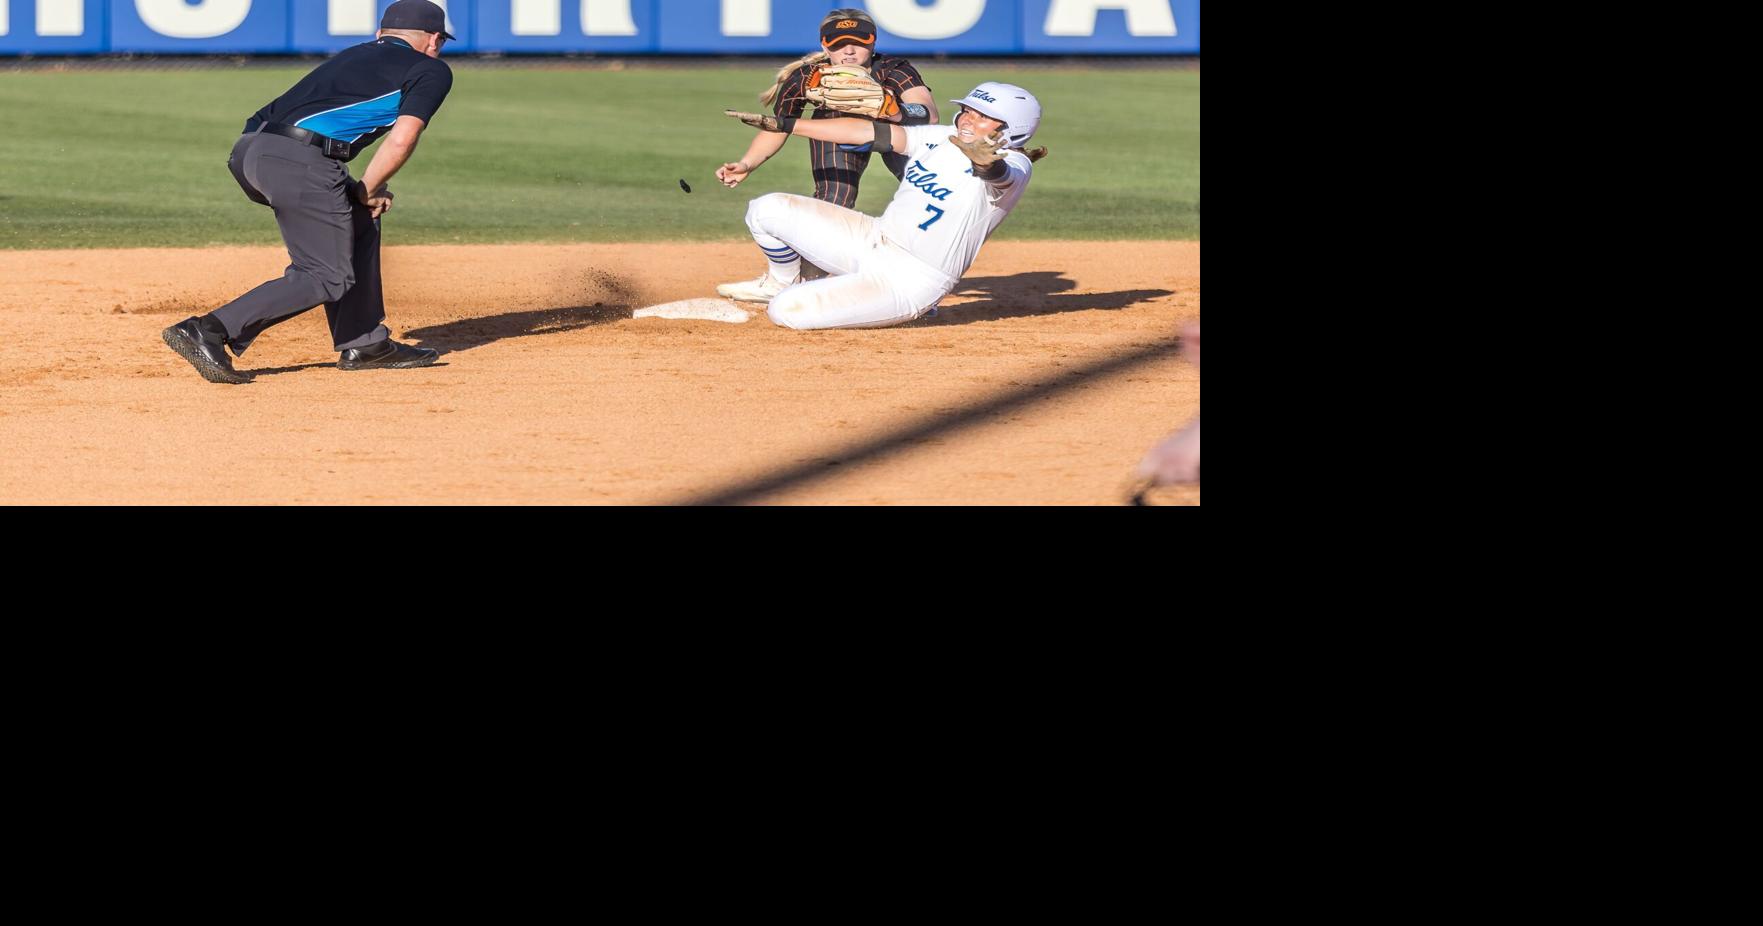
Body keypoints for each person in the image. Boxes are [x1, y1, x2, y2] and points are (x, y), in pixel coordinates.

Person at [161, 0, 455, 384]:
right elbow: (403, 139)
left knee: (360, 219)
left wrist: (356, 193)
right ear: (434, 40)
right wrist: (370, 186)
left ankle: (365, 342)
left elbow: (263, 117)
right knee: (325, 275)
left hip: (251, 150)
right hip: (298, 161)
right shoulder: (430, 68)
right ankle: (210, 329)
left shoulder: (351, 56)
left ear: (380, 34)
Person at [719, 82, 1046, 329]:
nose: (968, 120)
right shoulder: (942, 137)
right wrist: (786, 124)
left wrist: (988, 165)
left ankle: (904, 310)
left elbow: (1000, 177)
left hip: (911, 281)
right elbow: (868, 132)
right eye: (968, 110)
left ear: (1011, 128)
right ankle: (783, 279)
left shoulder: (1015, 165)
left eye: (983, 117)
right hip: (873, 239)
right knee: (767, 209)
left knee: (786, 311)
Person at [715, 8, 937, 290]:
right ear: (824, 45)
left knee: (923, 191)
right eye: (838, 44)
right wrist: (747, 164)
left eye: (858, 42)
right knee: (834, 199)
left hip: (895, 131)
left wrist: (891, 109)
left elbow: (928, 113)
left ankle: (918, 283)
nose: (849, 51)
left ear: (872, 42)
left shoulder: (893, 68)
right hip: (836, 127)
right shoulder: (808, 77)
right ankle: (803, 284)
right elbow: (778, 126)